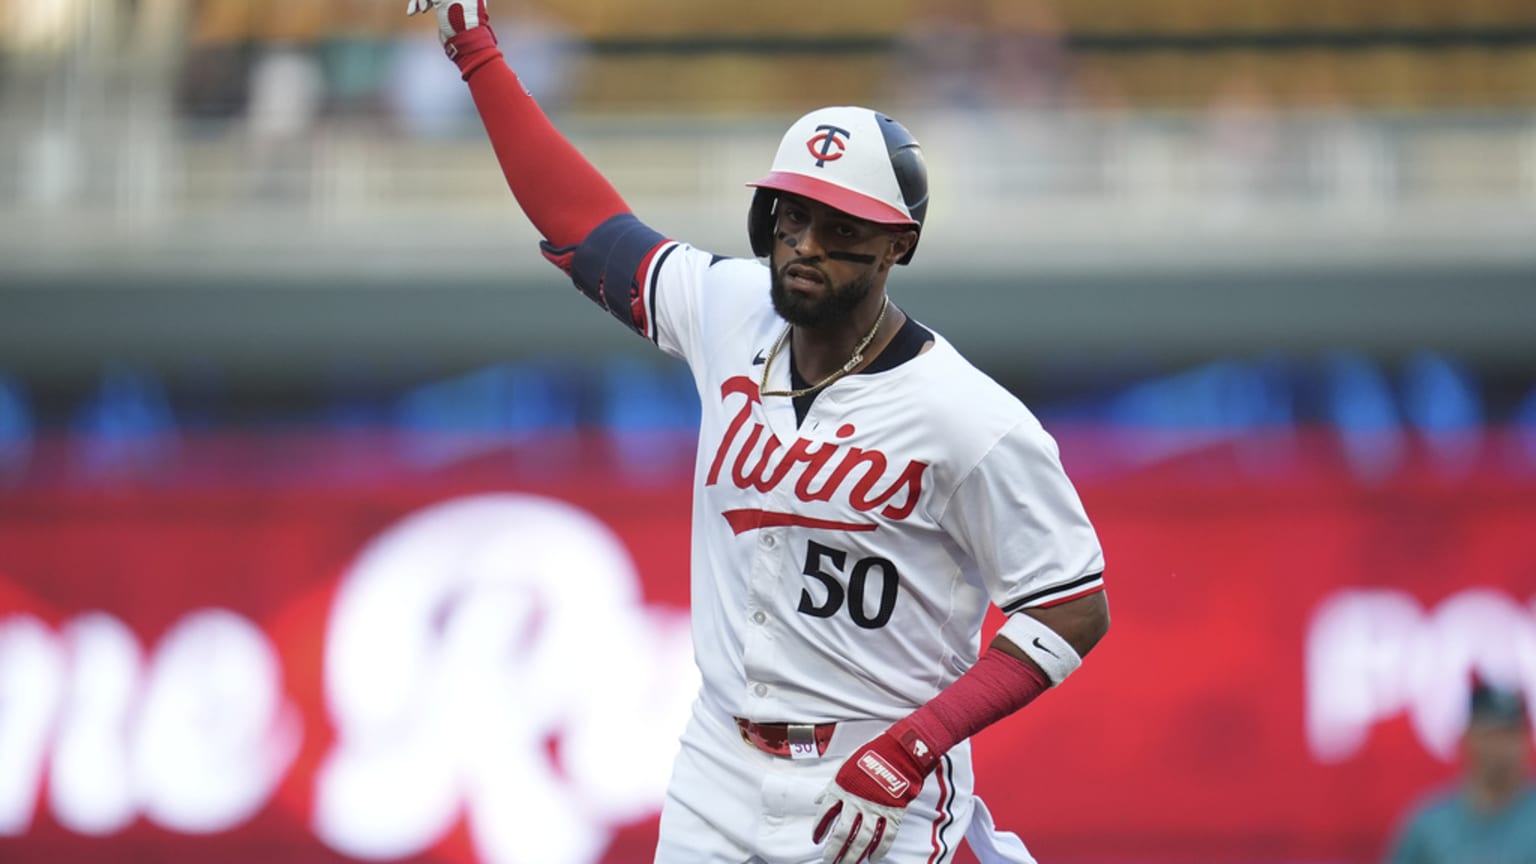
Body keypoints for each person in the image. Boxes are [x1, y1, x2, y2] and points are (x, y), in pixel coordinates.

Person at [403, 2, 1110, 861]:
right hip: (718, 763)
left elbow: (1071, 606)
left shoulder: (968, 417)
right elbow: (583, 228)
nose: (805, 244)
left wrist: (916, 746)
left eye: (841, 228)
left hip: (877, 776)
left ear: (898, 246)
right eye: (790, 216)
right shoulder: (732, 310)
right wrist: (475, 49)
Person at [1386, 679, 1536, 864]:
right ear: (1468, 739)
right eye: (1490, 734)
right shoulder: (1432, 824)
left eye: (1510, 734)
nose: (1501, 747)